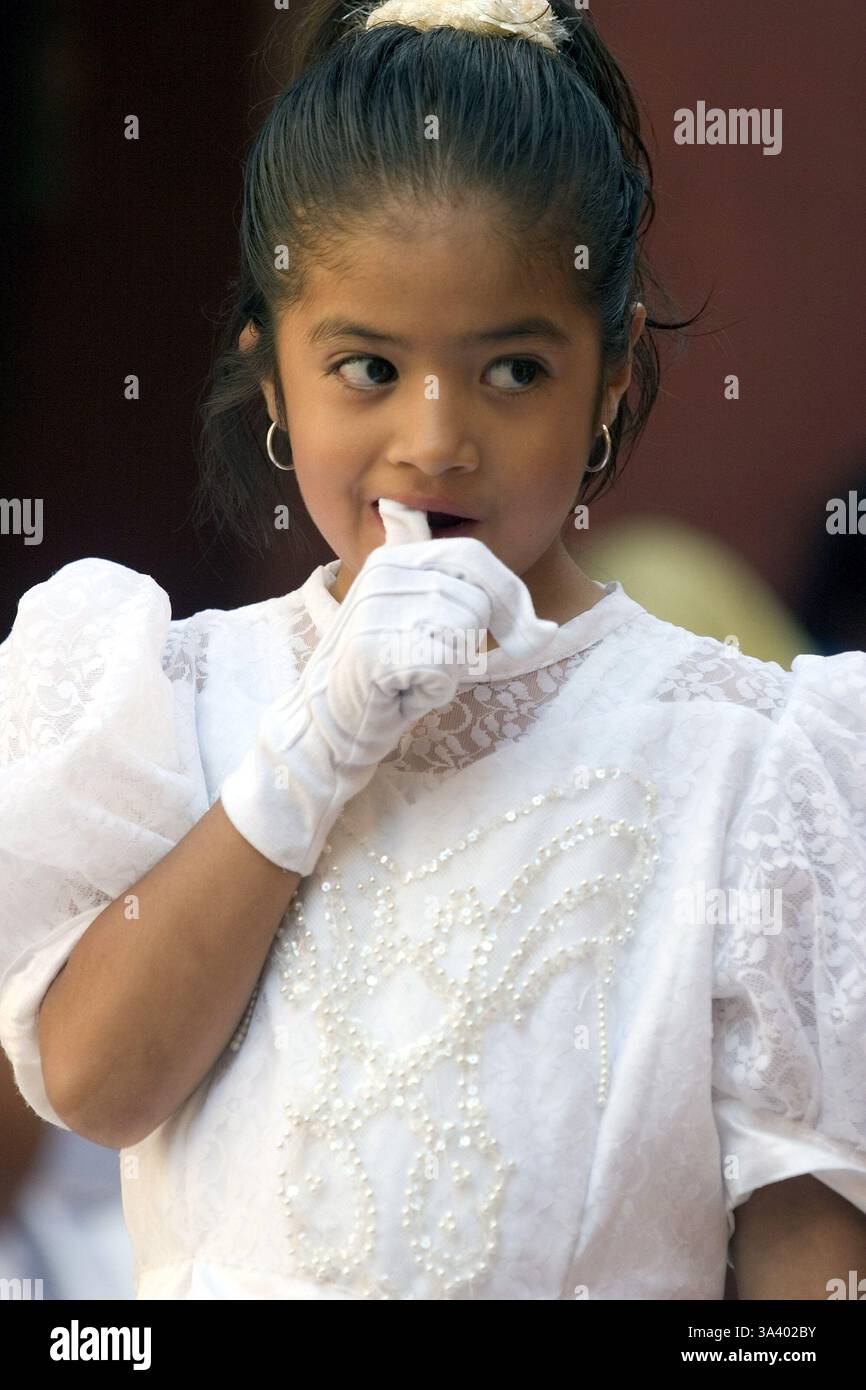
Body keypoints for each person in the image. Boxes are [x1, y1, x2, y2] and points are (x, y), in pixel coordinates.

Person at [1, 0, 865, 1301]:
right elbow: (93, 1082)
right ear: (273, 378)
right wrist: (313, 743)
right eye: (364, 366)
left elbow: (808, 1267)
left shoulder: (742, 760)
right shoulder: (180, 696)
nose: (436, 435)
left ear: (610, 383)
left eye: (513, 369)